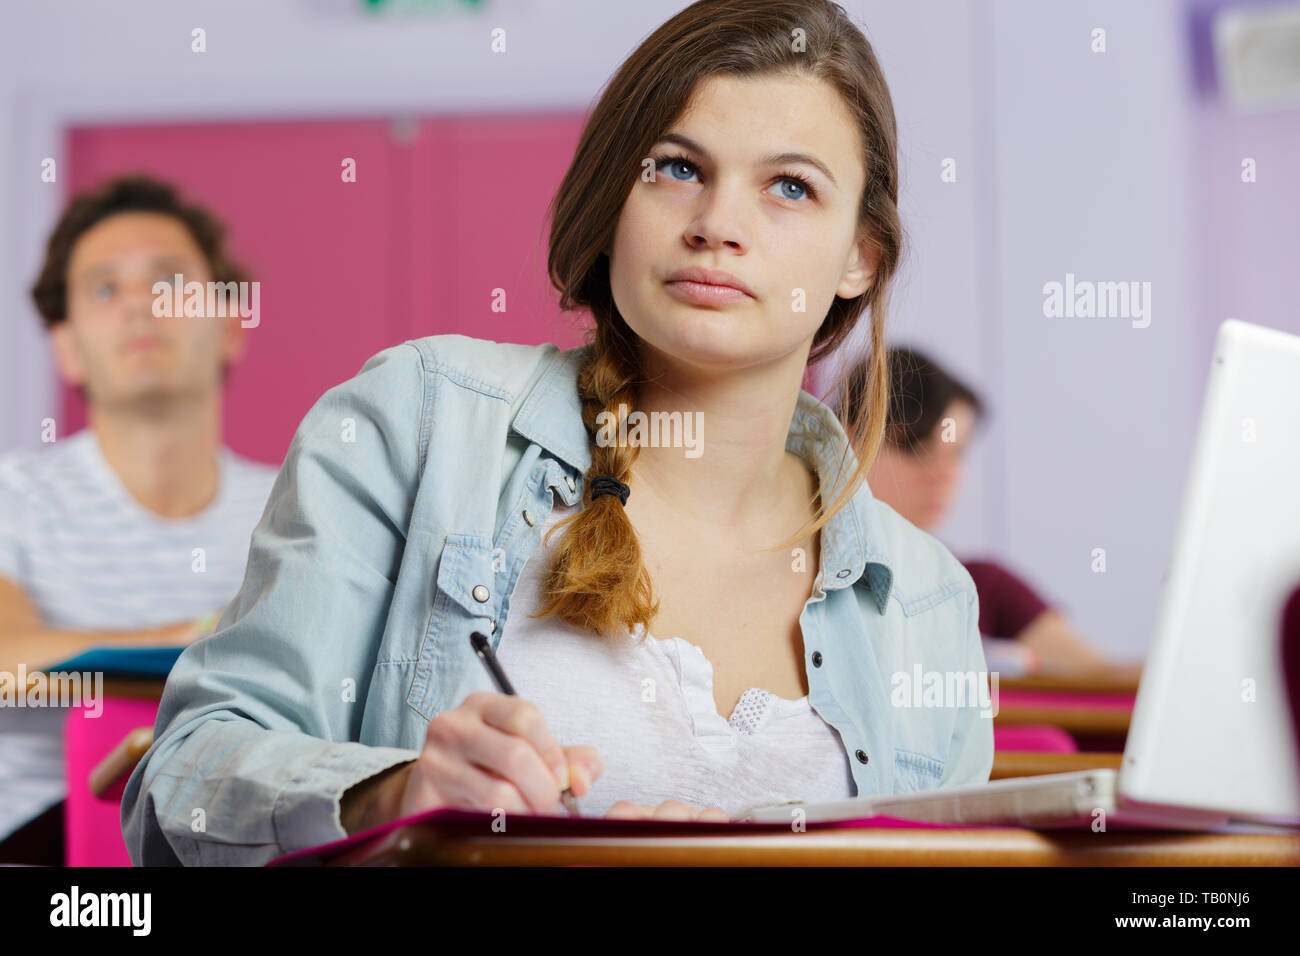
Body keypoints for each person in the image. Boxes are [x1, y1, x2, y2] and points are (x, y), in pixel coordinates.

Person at [122, 0, 995, 867]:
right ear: (614, 198)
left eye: (791, 187)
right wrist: (392, 797)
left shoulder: (928, 602)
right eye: (676, 168)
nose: (718, 224)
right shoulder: (417, 422)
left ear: (860, 257)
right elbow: (182, 780)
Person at [0, 174, 279, 860]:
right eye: (103, 287)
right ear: (66, 347)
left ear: (231, 325)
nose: (140, 307)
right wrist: (199, 635)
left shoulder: (294, 505)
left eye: (169, 281)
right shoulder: (11, 497)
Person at [844, 344, 1142, 680]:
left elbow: (1104, 685)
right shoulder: (812, 582)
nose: (944, 475)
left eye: (956, 453)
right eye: (918, 448)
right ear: (851, 440)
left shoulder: (985, 585)